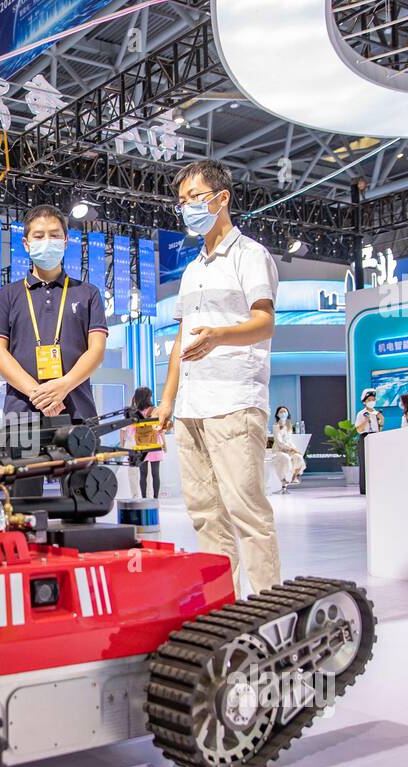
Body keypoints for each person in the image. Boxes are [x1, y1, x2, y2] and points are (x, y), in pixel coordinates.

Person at [157, 159, 281, 598]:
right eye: (183, 201)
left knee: (247, 510)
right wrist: (167, 399)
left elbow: (263, 323)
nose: (188, 206)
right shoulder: (192, 270)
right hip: (192, 405)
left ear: (221, 197)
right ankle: (222, 605)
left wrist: (220, 337)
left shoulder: (250, 256)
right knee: (205, 513)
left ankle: (269, 605)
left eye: (195, 197)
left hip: (235, 400)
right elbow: (179, 341)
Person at [0, 204, 108, 421]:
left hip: (78, 412)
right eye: (39, 236)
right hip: (21, 415)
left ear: (65, 241)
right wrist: (37, 394)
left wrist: (64, 385)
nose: (47, 241)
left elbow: (96, 351)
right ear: (26, 243)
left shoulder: (88, 293)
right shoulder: (7, 295)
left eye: (54, 235)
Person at [123, 385, 164, 498]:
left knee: (143, 474)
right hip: (154, 444)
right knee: (155, 474)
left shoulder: (135, 412)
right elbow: (160, 427)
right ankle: (155, 498)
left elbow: (131, 430)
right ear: (148, 397)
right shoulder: (154, 410)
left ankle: (144, 498)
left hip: (141, 445)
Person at [353, 387, 384, 494]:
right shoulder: (361, 414)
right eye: (369, 399)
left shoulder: (376, 413)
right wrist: (366, 421)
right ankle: (364, 488)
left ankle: (377, 486)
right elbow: (358, 429)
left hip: (376, 437)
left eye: (373, 399)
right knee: (365, 463)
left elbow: (380, 428)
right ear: (364, 401)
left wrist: (382, 420)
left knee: (377, 463)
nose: (372, 401)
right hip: (365, 437)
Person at [271, 405, 305, 490]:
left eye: (285, 412)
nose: (283, 413)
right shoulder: (276, 426)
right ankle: (284, 479)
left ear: (288, 413)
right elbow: (279, 442)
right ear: (277, 415)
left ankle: (293, 477)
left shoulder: (289, 425)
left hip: (289, 449)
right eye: (281, 412)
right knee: (286, 458)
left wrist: (295, 450)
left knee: (299, 457)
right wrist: (291, 449)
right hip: (279, 450)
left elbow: (289, 440)